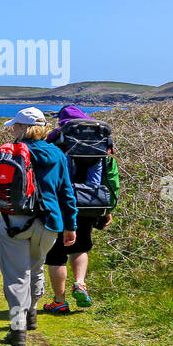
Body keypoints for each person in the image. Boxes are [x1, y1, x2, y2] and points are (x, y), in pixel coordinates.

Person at [0, 107, 78, 346]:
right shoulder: (58, 154)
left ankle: (18, 329)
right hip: (50, 223)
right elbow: (66, 192)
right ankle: (33, 312)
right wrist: (71, 225)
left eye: (15, 126)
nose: (13, 129)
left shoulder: (12, 152)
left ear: (22, 128)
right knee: (36, 267)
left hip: (14, 221)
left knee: (16, 275)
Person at [42, 105, 119, 313]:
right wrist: (106, 207)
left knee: (56, 253)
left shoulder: (58, 135)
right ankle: (80, 283)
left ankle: (59, 301)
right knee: (81, 247)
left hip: (60, 202)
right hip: (91, 201)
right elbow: (108, 170)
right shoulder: (100, 136)